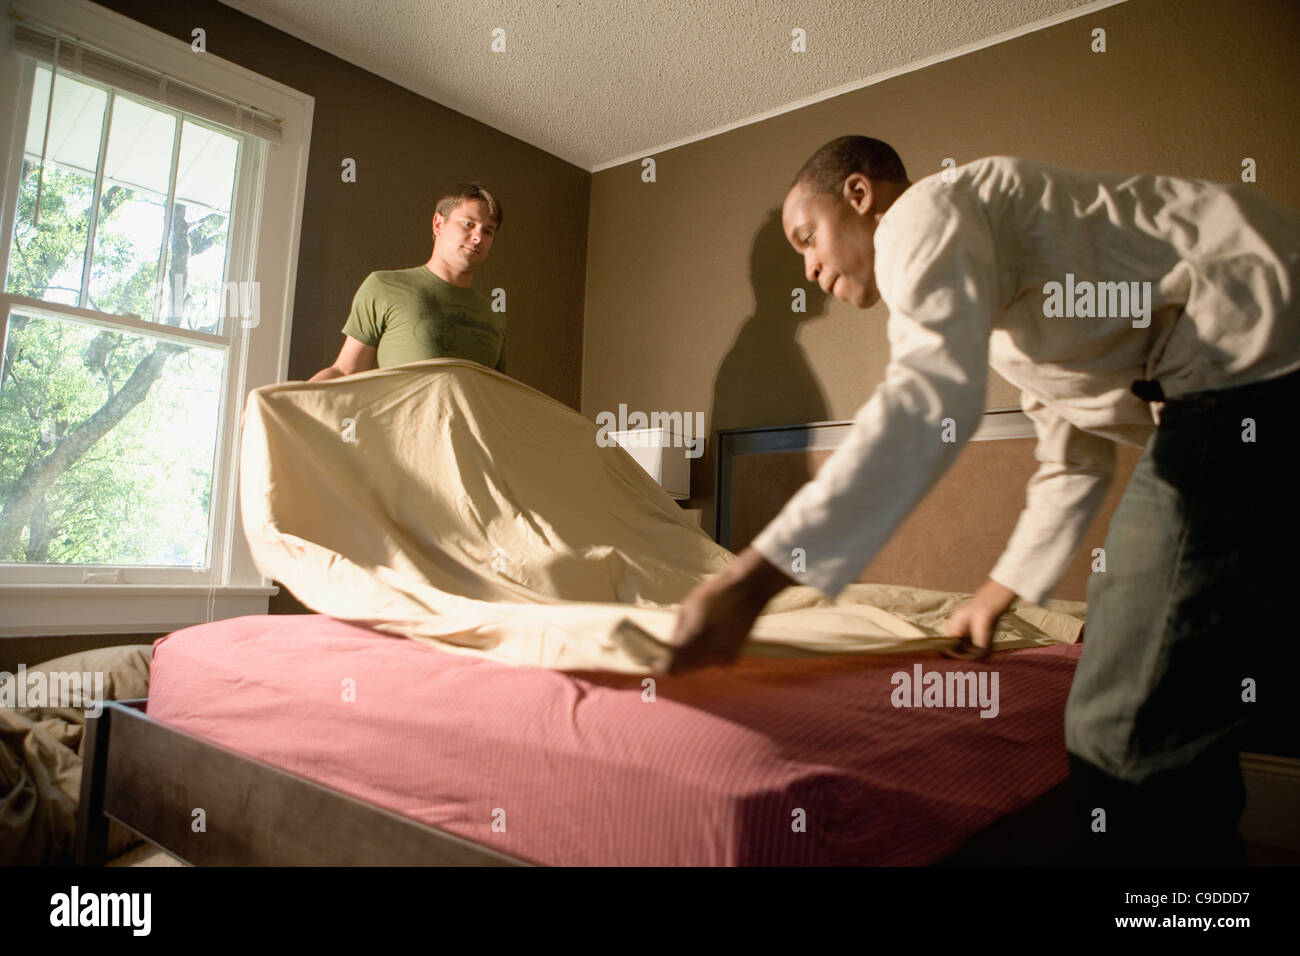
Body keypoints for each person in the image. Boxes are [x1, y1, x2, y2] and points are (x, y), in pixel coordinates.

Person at [666, 136, 1300, 866]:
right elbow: (1071, 460)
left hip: (1246, 361)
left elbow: (926, 401)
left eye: (807, 238)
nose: (808, 268)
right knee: (1156, 673)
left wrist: (753, 580)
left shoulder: (926, 213)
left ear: (860, 196)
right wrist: (998, 592)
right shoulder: (1012, 308)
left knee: (1122, 723)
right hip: (1248, 367)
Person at [309, 182, 507, 381]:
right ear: (438, 224)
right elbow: (345, 372)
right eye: (469, 224)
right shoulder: (383, 286)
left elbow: (498, 395)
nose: (478, 237)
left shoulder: (493, 315)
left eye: (488, 231)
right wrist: (288, 403)